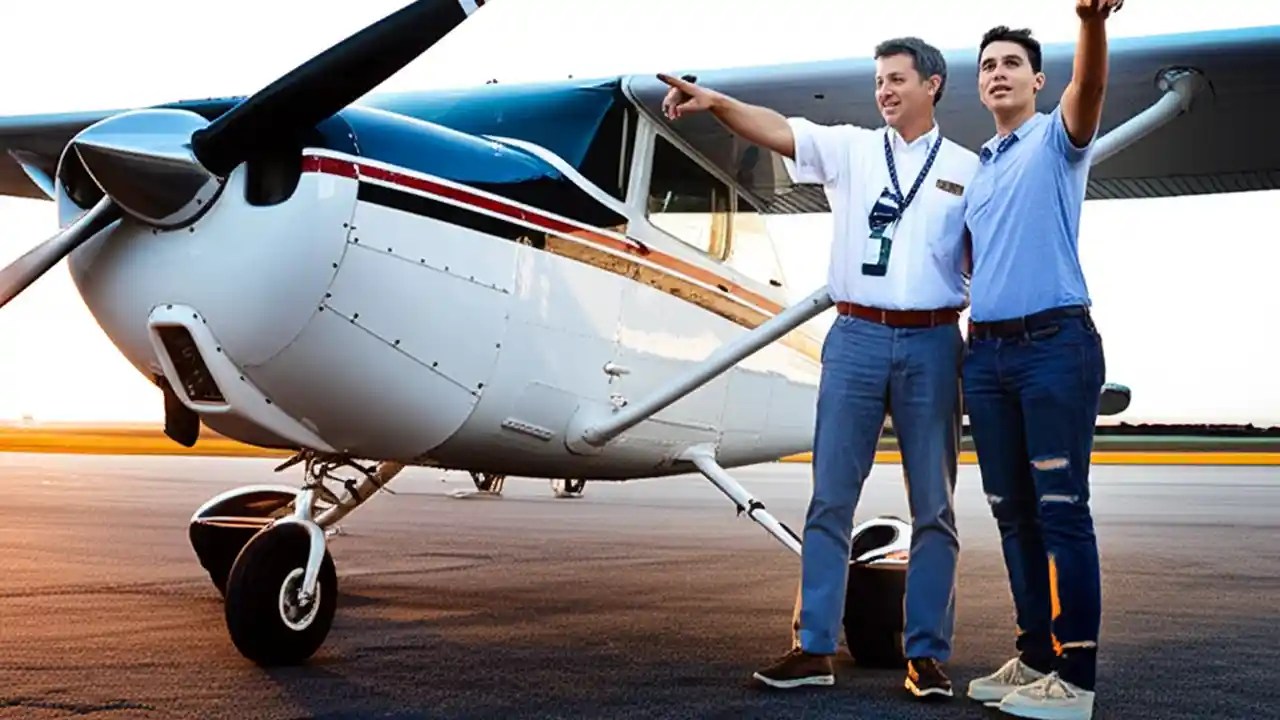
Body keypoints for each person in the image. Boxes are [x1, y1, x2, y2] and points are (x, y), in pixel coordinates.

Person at [659, 36, 979, 700]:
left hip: (933, 341)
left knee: (935, 508)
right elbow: (778, 131)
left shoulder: (970, 169)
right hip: (857, 336)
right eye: (879, 82)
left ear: (934, 85)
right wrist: (717, 103)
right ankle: (812, 649)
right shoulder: (854, 150)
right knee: (831, 499)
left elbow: (993, 254)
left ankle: (925, 657)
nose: (885, 91)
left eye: (896, 80)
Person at [960, 3, 1123, 719]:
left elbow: (1088, 92)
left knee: (1061, 512)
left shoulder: (1056, 142)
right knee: (1012, 514)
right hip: (987, 355)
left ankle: (1077, 679)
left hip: (1054, 346)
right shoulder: (978, 171)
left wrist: (1091, 22)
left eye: (1011, 64)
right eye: (988, 66)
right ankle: (1034, 656)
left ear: (1036, 80)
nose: (998, 73)